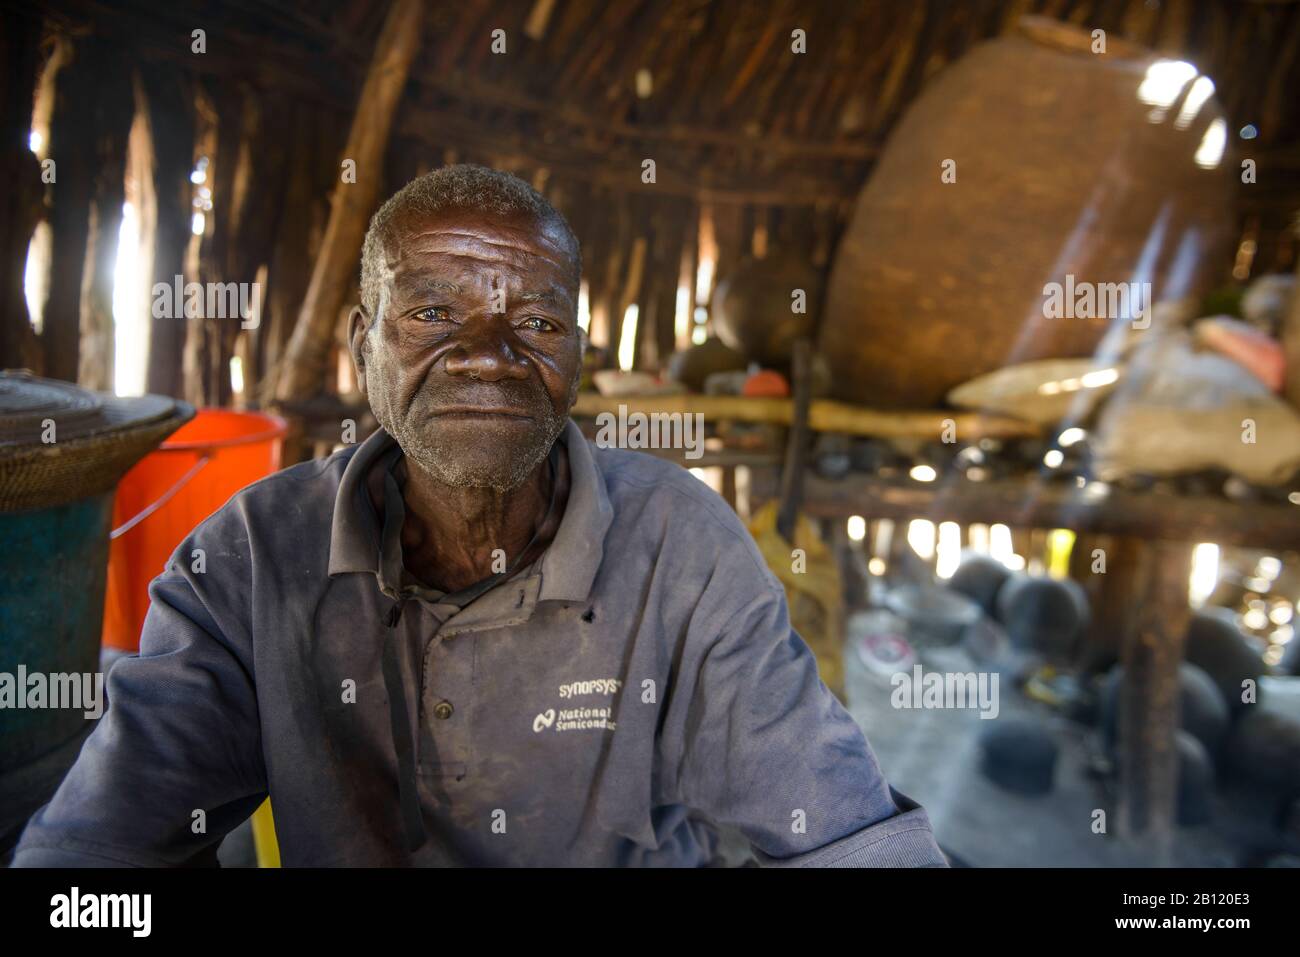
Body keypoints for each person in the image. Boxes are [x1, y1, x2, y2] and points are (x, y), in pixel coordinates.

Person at [13, 165, 945, 867]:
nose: (488, 355)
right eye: (430, 312)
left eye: (536, 323)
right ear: (358, 342)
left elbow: (844, 835)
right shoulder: (252, 558)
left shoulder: (681, 548)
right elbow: (97, 862)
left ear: (579, 355)